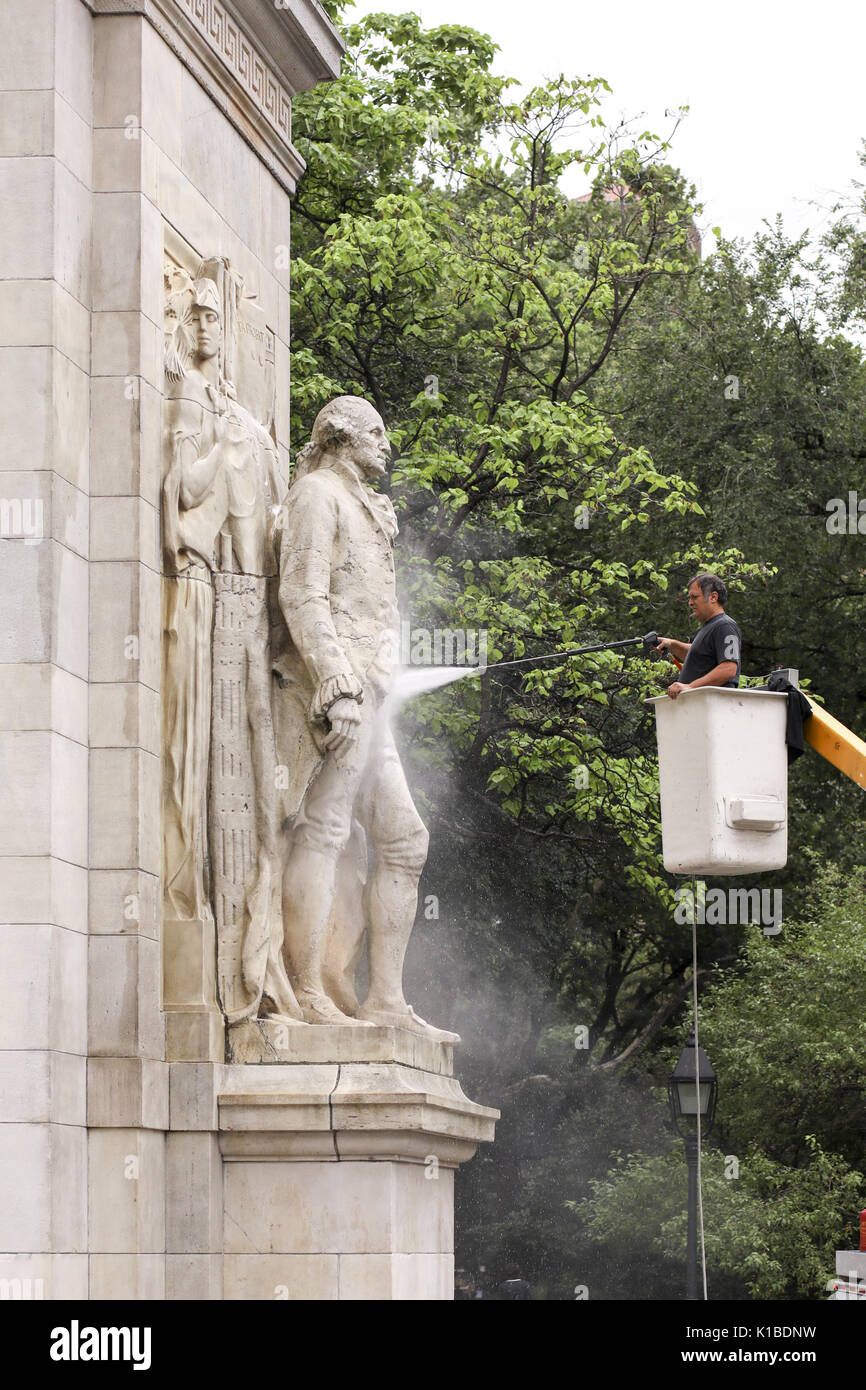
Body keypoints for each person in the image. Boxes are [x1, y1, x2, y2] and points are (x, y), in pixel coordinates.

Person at [272, 396, 459, 1042]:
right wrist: (333, 677)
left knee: (406, 841)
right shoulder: (317, 495)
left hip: (371, 694)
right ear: (340, 436)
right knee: (322, 828)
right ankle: (305, 990)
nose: (387, 443)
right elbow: (301, 592)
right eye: (376, 432)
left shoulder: (363, 506)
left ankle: (384, 999)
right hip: (339, 694)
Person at [655, 573, 741, 700]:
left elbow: (728, 668)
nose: (690, 603)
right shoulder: (711, 626)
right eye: (689, 598)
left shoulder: (725, 626)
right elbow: (699, 658)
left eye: (694, 597)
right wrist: (671, 645)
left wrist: (690, 687)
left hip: (715, 708)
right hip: (701, 708)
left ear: (713, 597)